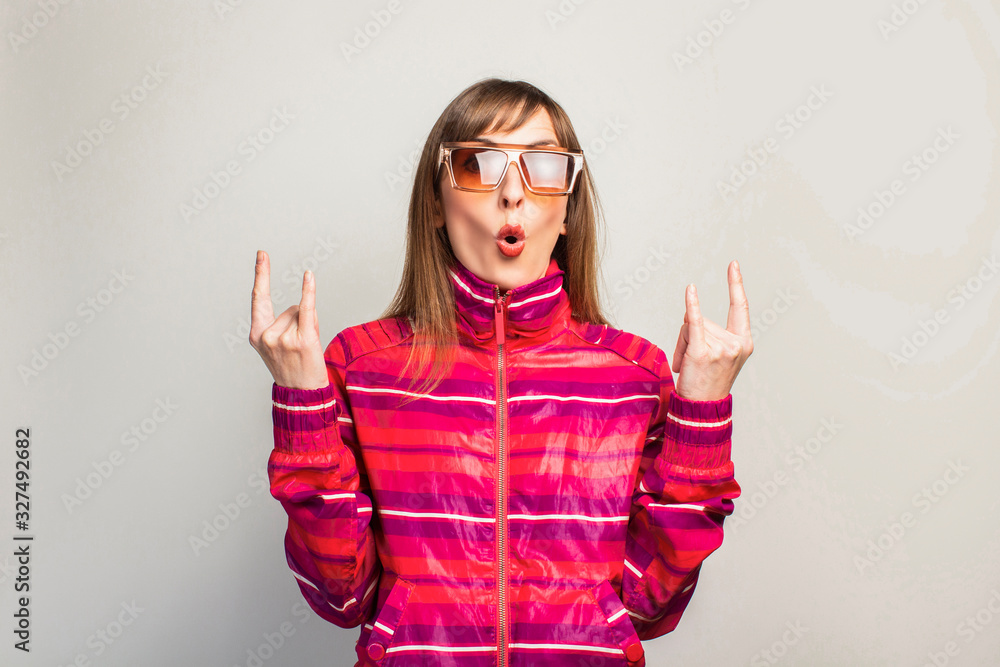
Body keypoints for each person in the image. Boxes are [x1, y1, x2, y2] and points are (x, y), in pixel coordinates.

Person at [250, 78, 752, 667]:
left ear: (568, 208)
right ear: (436, 203)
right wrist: (301, 402)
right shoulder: (363, 369)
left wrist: (702, 413)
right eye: (479, 165)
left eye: (542, 166)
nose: (512, 194)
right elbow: (342, 596)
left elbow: (651, 608)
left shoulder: (633, 377)